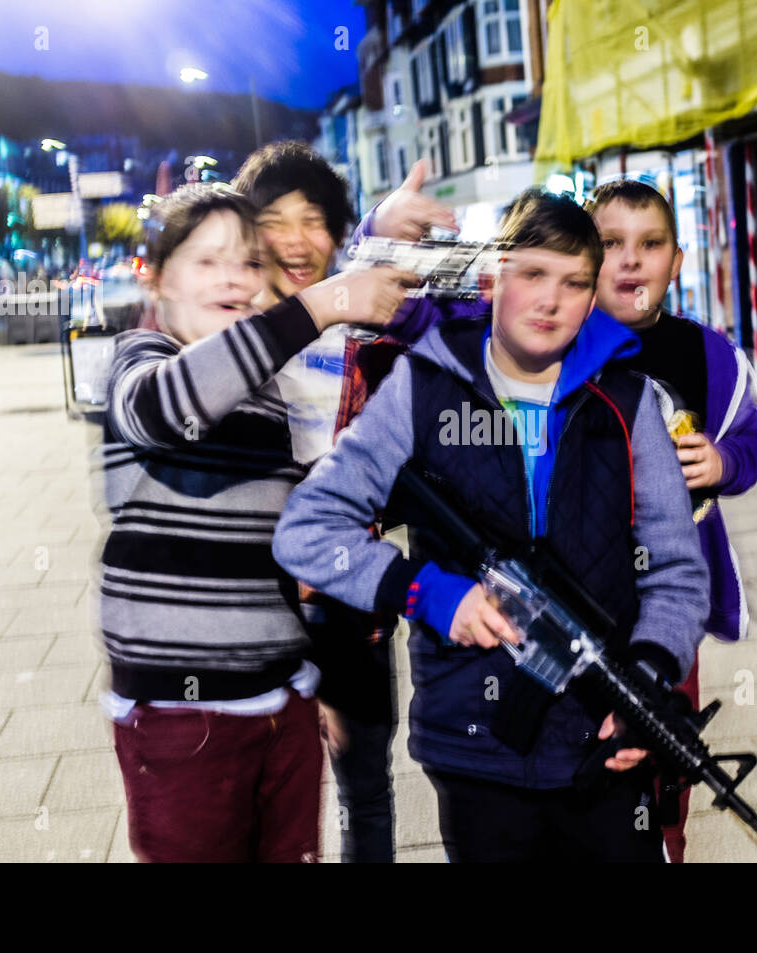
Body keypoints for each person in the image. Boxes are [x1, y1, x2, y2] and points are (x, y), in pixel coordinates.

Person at [273, 189, 710, 862]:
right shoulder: (424, 388)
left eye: (574, 283)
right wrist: (429, 593)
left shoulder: (626, 401)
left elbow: (677, 569)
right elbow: (307, 528)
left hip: (601, 744)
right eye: (532, 274)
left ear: (593, 297)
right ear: (491, 279)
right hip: (472, 743)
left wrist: (648, 675)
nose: (551, 301)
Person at [94, 182, 414, 862]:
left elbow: (276, 555)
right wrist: (324, 303)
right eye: (207, 260)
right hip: (182, 723)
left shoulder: (267, 394)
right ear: (158, 278)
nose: (232, 277)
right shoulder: (138, 360)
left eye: (245, 262)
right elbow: (172, 407)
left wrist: (303, 681)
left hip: (281, 706)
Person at [231, 144, 454, 862]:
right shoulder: (225, 334)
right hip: (254, 602)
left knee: (366, 784)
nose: (298, 239)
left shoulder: (365, 324)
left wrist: (383, 227)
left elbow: (408, 297)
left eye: (315, 220)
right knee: (260, 789)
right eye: (276, 220)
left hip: (350, 595)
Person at [585, 179, 757, 862]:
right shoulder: (554, 343)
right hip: (582, 598)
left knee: (668, 749)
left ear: (678, 259)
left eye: (650, 243)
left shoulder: (709, 354)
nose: (631, 259)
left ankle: (667, 844)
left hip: (672, 601)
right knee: (596, 752)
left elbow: (755, 440)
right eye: (610, 244)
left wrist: (723, 462)